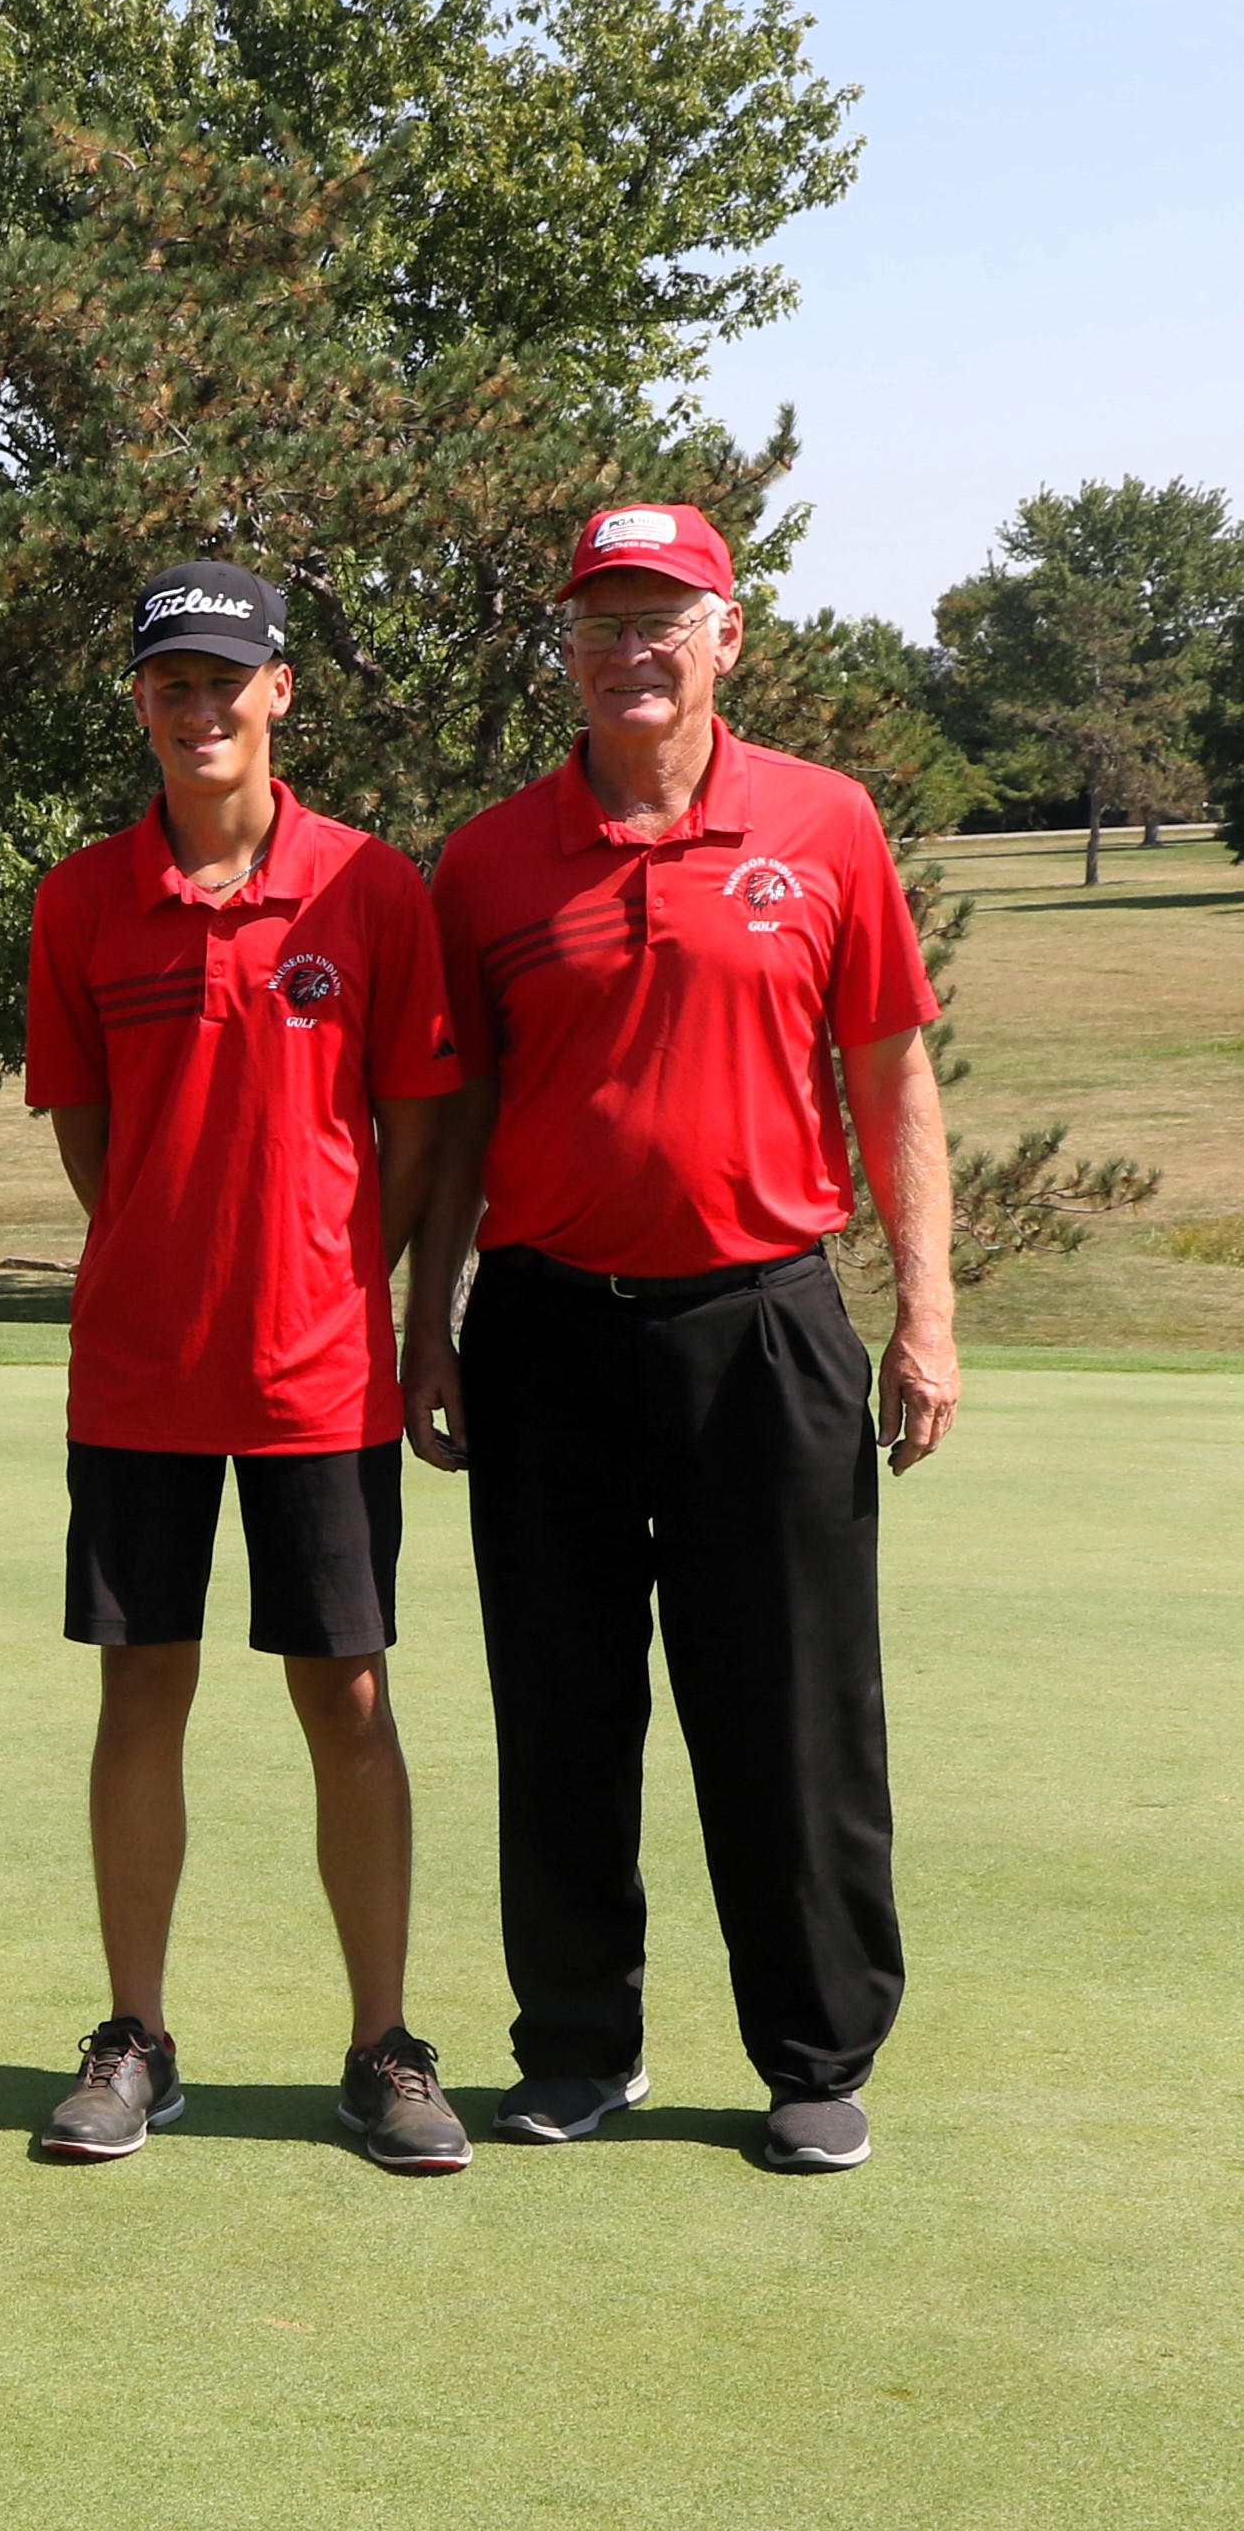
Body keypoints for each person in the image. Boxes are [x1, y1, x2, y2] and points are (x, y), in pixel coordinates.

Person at [403, 504, 956, 2174]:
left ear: (726, 635)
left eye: (660, 620)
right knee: (559, 1705)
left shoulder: (823, 821)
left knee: (788, 1708)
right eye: (596, 625)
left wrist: (924, 1315)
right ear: (563, 652)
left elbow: (890, 1079)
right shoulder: (489, 857)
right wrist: (427, 1321)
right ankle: (576, 2045)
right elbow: (462, 1108)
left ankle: (810, 2052)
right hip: (548, 1328)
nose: (626, 652)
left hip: (765, 1320)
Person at [20, 562, 469, 2175]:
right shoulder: (79, 899)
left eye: (224, 681)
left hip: (320, 1369)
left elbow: (420, 1130)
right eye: (167, 685)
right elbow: (89, 1139)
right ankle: (133, 2034)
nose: (197, 709)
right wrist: (171, 1250)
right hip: (140, 1371)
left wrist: (348, 1283)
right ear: (138, 703)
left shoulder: (371, 890)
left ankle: (382, 2045)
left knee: (344, 1696)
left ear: (279, 689)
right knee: (140, 1686)